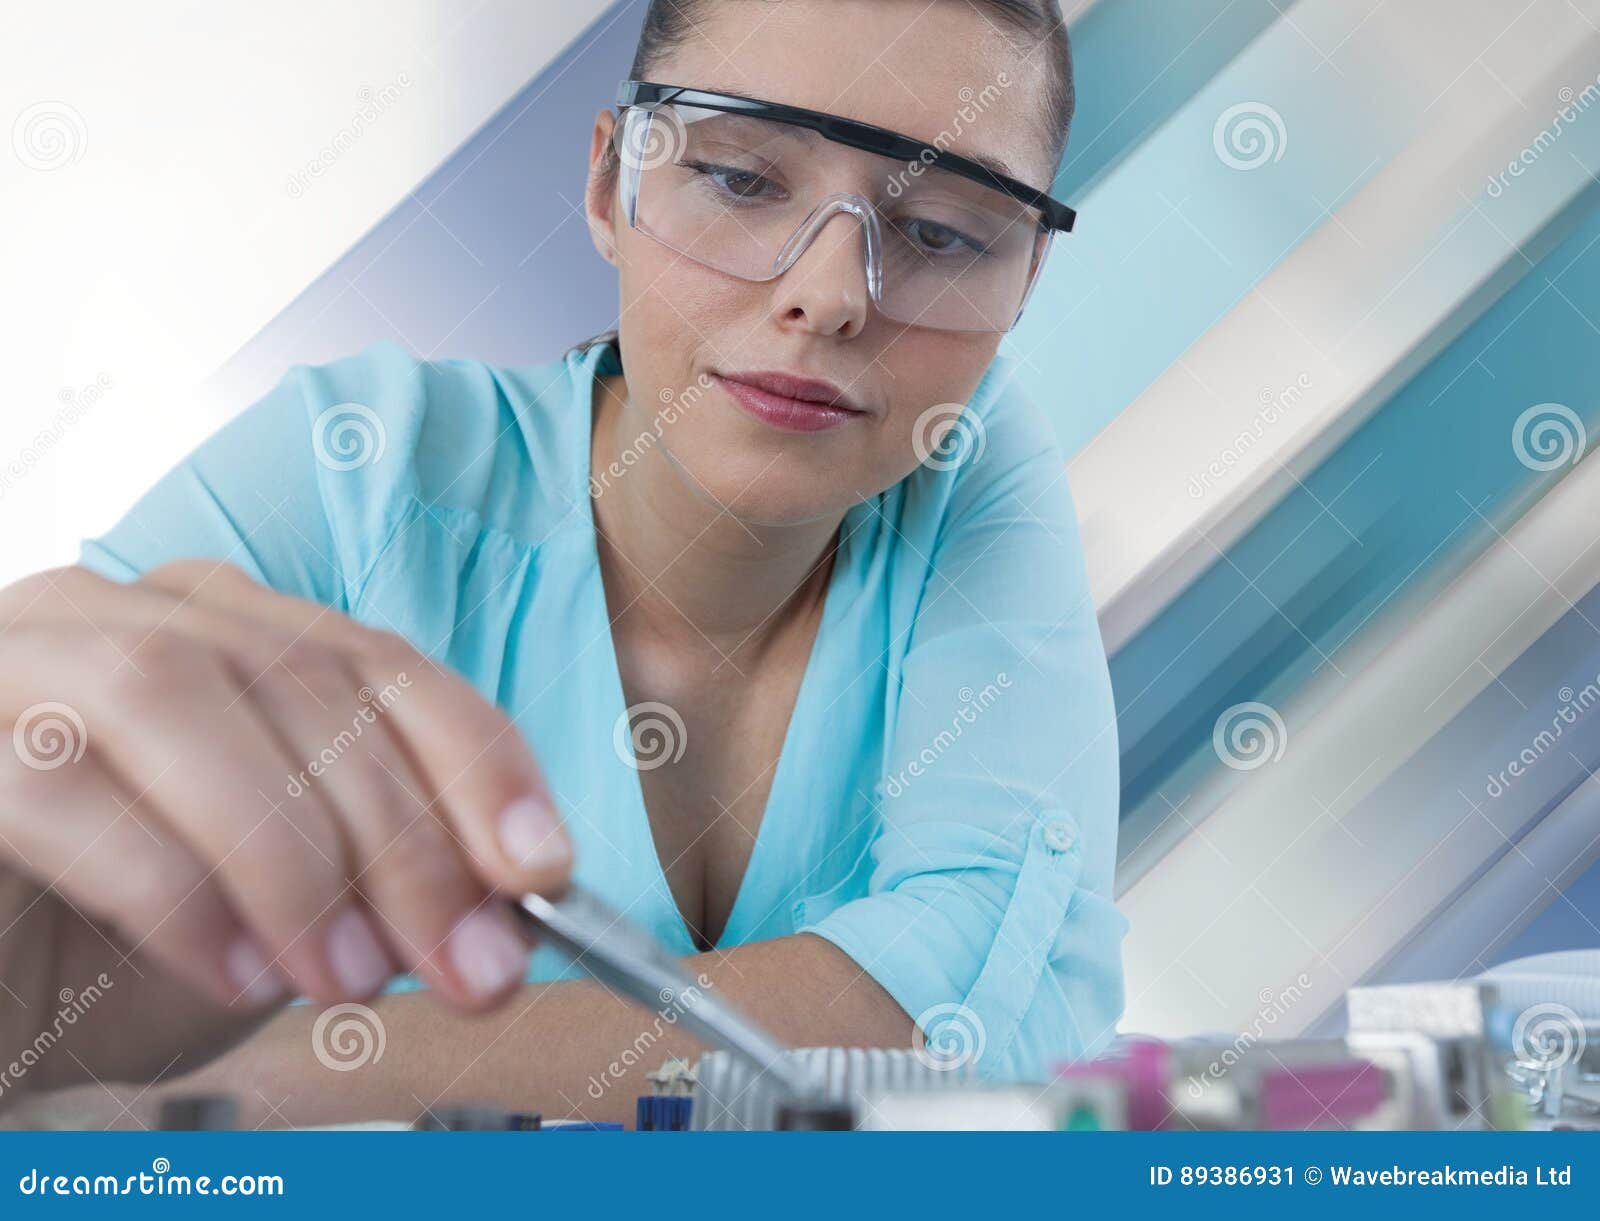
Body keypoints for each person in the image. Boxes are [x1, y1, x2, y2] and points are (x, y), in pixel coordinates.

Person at [0, 0, 1125, 1127]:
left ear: (1021, 286)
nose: (829, 297)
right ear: (609, 187)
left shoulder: (961, 454)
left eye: (940, 232)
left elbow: (987, 1029)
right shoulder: (354, 475)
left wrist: (254, 1079)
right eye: (741, 178)